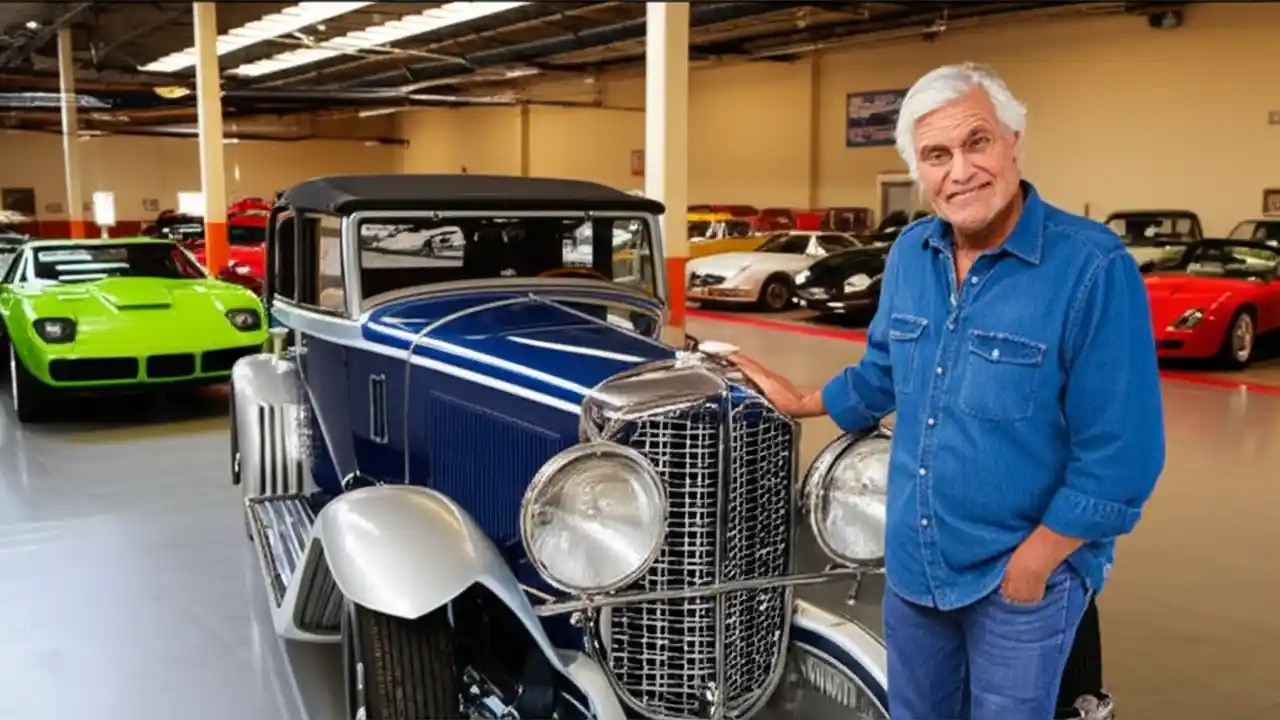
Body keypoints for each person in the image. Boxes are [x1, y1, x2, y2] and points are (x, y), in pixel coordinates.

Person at [728, 62, 1164, 719]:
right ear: (919, 171)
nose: (960, 171)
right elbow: (884, 371)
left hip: (1018, 580)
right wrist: (804, 400)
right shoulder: (911, 254)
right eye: (937, 155)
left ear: (1014, 140)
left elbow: (1123, 454)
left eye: (977, 142)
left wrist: (1036, 562)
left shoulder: (1091, 267)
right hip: (915, 566)